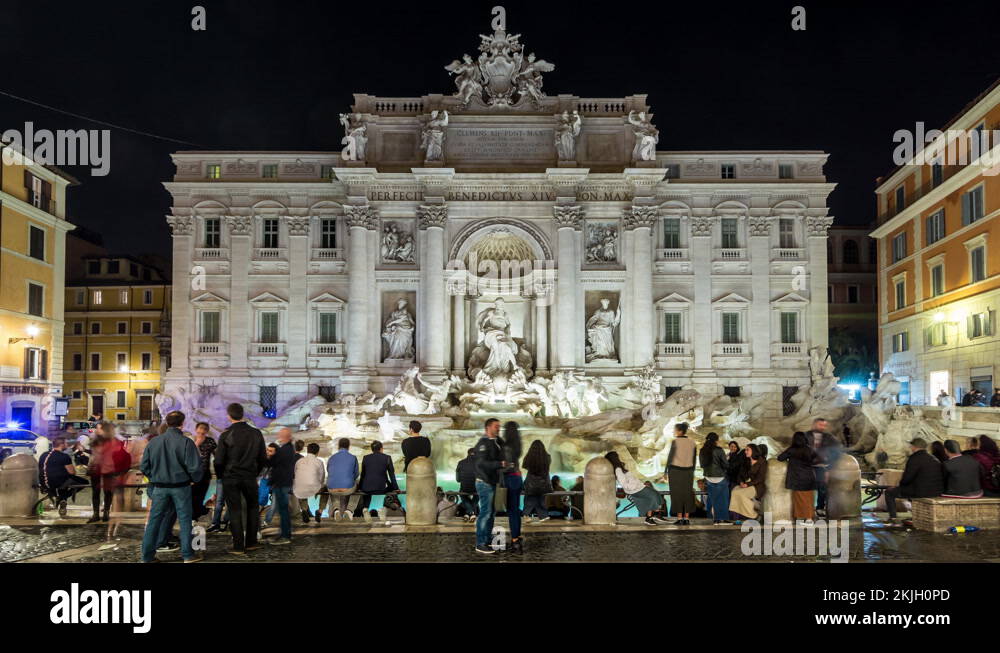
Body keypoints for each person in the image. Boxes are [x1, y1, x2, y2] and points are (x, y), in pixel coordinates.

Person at [139, 411, 204, 563]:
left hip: (159, 487)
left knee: (154, 521)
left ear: (167, 423)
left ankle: (147, 557)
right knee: (185, 520)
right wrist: (193, 479)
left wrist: (154, 477)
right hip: (181, 486)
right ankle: (188, 555)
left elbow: (144, 466)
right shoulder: (187, 442)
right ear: (182, 423)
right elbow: (195, 468)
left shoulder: (154, 442)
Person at [215, 403, 268, 555]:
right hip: (249, 476)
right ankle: (251, 542)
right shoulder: (256, 433)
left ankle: (238, 545)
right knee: (252, 508)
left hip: (231, 477)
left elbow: (218, 461)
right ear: (242, 414)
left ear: (229, 416)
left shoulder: (225, 435)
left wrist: (221, 476)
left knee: (234, 510)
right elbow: (262, 458)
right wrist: (255, 472)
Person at [884, 438, 944, 522]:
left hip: (921, 491)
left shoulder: (914, 458)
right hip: (936, 491)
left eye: (911, 446)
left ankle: (893, 517)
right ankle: (915, 514)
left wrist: (899, 486)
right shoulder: (934, 459)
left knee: (889, 492)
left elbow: (907, 478)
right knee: (908, 490)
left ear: (914, 447)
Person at [606, 451, 666, 526]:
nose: (619, 457)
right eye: (617, 456)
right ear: (615, 459)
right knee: (653, 495)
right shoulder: (618, 470)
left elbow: (629, 479)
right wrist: (634, 485)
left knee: (655, 494)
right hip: (635, 490)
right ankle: (651, 516)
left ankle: (653, 516)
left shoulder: (620, 468)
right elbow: (624, 484)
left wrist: (638, 484)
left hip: (638, 487)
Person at [473, 418, 506, 554]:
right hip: (484, 482)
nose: (498, 428)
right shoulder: (483, 443)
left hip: (492, 481)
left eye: (499, 426)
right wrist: (500, 464)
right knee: (485, 513)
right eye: (496, 426)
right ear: (488, 428)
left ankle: (486, 539)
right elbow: (481, 463)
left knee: (491, 513)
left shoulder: (496, 442)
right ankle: (480, 543)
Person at [777, 432, 820, 522]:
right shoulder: (809, 449)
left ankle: (808, 519)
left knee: (801, 499)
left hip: (798, 478)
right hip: (809, 477)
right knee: (808, 499)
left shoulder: (792, 449)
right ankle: (809, 517)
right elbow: (818, 459)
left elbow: (780, 458)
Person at [38, 438, 87, 514]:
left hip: (43, 482)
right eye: (66, 443)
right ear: (61, 445)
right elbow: (72, 472)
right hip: (58, 482)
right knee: (83, 482)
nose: (67, 445)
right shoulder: (64, 456)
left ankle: (62, 503)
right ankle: (62, 498)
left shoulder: (44, 455)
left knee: (65, 480)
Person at [266, 427, 297, 544]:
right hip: (284, 483)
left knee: (283, 510)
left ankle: (285, 536)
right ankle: (285, 534)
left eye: (280, 435)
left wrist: (267, 456)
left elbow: (272, 463)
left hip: (281, 483)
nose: (279, 436)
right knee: (283, 510)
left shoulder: (284, 449)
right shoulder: (288, 448)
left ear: (285, 436)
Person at [357, 440, 400, 522]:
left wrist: (360, 487)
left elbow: (363, 475)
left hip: (367, 488)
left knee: (366, 494)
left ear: (372, 449)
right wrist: (396, 488)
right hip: (381, 488)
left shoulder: (366, 458)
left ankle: (365, 508)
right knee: (391, 489)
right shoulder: (387, 458)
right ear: (381, 449)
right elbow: (392, 475)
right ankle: (384, 508)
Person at [807, 418, 840, 516]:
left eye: (824, 425)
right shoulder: (805, 435)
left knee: (822, 487)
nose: (822, 427)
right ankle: (807, 509)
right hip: (807, 466)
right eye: (820, 425)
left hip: (822, 466)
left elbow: (837, 451)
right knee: (806, 487)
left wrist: (829, 466)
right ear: (814, 424)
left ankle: (820, 507)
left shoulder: (828, 437)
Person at [500, 421, 524, 553]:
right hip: (517, 478)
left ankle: (515, 540)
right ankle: (517, 537)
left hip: (510, 478)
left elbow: (506, 466)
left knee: (511, 511)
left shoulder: (507, 445)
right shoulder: (517, 444)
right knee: (515, 510)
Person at [667, 422, 696, 525]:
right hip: (688, 471)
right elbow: (694, 459)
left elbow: (670, 457)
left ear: (680, 431)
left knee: (676, 494)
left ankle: (679, 518)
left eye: (675, 429)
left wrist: (666, 471)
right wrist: (692, 471)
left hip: (675, 471)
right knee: (687, 494)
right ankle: (687, 518)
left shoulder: (675, 441)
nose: (674, 431)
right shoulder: (692, 442)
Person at [730, 444, 768, 522]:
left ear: (753, 451)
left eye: (747, 450)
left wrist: (748, 484)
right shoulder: (746, 461)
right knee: (734, 492)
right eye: (745, 450)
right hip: (745, 484)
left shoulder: (762, 462)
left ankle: (755, 516)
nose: (745, 452)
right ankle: (737, 516)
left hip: (757, 486)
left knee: (741, 494)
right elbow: (740, 474)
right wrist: (741, 482)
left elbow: (760, 478)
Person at [699, 432, 731, 525]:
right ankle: (723, 519)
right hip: (720, 477)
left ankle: (714, 519)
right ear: (716, 440)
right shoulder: (719, 450)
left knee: (713, 499)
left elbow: (702, 465)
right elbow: (726, 464)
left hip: (708, 478)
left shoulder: (702, 450)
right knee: (723, 499)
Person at [327, 438, 360, 521]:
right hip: (347, 489)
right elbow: (356, 474)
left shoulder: (331, 458)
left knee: (332, 485)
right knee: (358, 485)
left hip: (332, 489)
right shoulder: (353, 457)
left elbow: (329, 471)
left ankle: (336, 509)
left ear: (338, 446)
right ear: (348, 447)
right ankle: (349, 510)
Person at [294, 442, 327, 524]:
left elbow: (296, 474)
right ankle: (320, 511)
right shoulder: (319, 462)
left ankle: (304, 509)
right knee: (326, 490)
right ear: (317, 452)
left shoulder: (299, 461)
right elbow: (322, 477)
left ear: (307, 450)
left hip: (299, 488)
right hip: (314, 488)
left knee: (301, 484)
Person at [522, 439, 552, 522]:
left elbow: (524, 466)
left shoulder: (529, 457)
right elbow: (547, 468)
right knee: (540, 498)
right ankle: (543, 515)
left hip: (531, 483)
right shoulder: (547, 457)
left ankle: (526, 514)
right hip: (543, 483)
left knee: (530, 498)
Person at [191, 422, 216, 520]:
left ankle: (197, 514)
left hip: (205, 472)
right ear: (195, 431)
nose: (201, 435)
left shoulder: (210, 441)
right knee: (192, 495)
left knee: (201, 494)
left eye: (203, 433)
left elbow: (217, 454)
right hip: (192, 473)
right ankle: (193, 515)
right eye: (199, 433)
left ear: (206, 432)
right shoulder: (191, 440)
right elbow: (189, 454)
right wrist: (197, 444)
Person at [454, 447, 478, 521]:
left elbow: (458, 480)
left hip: (465, 488)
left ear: (468, 454)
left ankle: (468, 513)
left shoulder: (461, 462)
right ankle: (472, 513)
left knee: (463, 495)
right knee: (478, 494)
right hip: (476, 488)